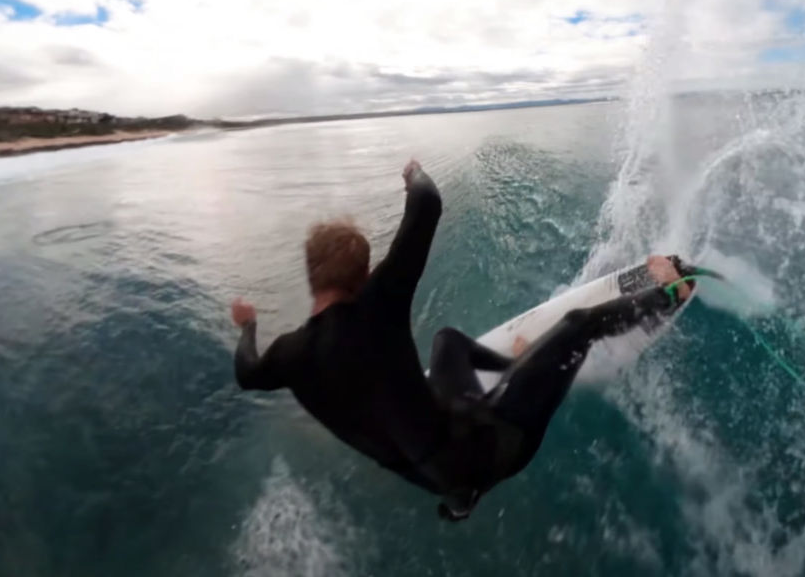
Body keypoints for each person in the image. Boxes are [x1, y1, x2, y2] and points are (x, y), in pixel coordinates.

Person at [230, 159, 696, 521]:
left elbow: (247, 371)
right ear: (366, 275)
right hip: (490, 451)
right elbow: (428, 203)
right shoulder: (378, 302)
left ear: (312, 277)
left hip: (436, 474)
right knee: (577, 325)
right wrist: (413, 172)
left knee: (447, 340)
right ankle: (670, 291)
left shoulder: (287, 355)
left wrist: (249, 325)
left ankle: (502, 400)